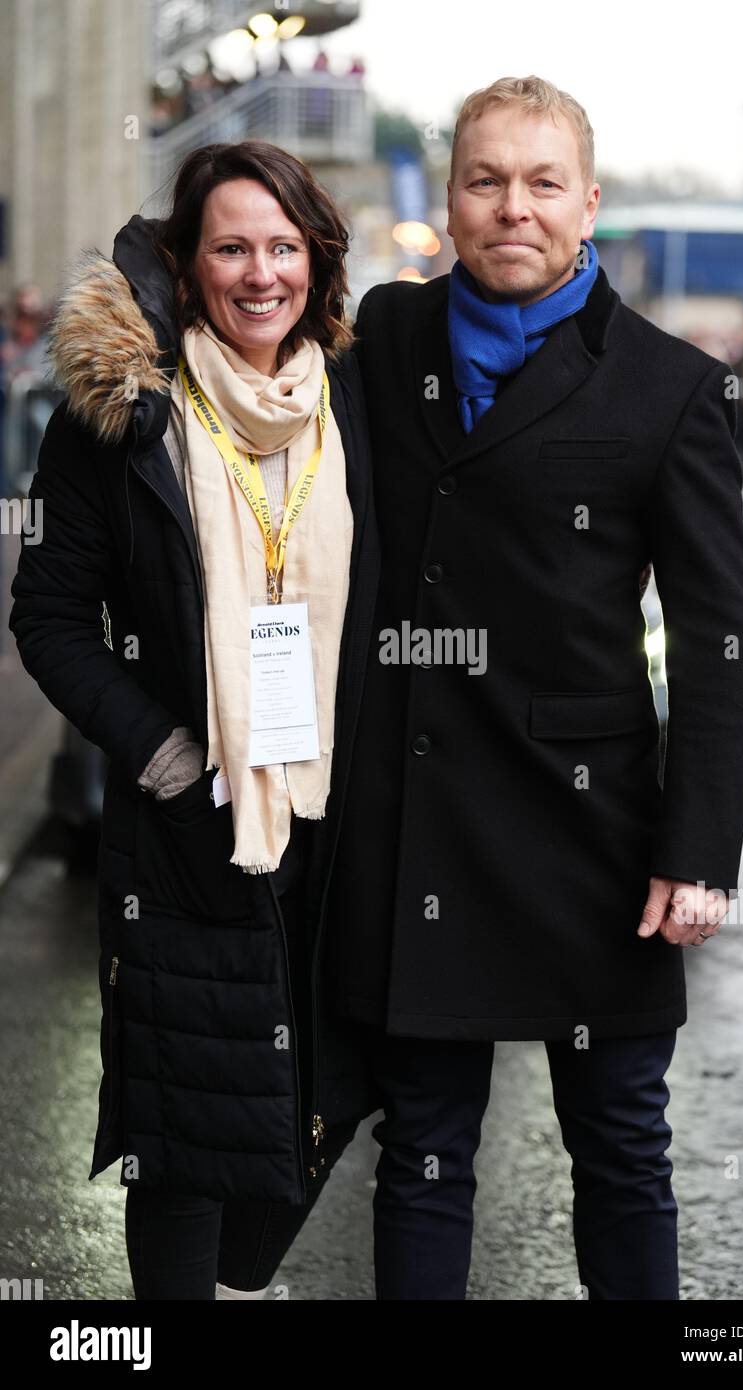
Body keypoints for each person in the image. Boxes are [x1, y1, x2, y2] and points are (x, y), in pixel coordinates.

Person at [321, 75, 743, 1299]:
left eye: (540, 182)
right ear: (451, 204)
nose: (511, 206)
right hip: (418, 826)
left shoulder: (668, 384)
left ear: (586, 204)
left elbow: (718, 636)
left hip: (594, 831)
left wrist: (700, 847)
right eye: (483, 180)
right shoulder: (384, 338)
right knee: (418, 1153)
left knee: (619, 1152)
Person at [8, 140, 381, 1300]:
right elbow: (50, 615)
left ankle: (240, 1285)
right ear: (186, 263)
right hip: (186, 830)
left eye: (283, 247)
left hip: (331, 818)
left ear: (316, 262)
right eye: (231, 247)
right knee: (182, 1133)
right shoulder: (121, 418)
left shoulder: (357, 403)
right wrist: (163, 750)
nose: (259, 273)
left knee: (325, 1086)